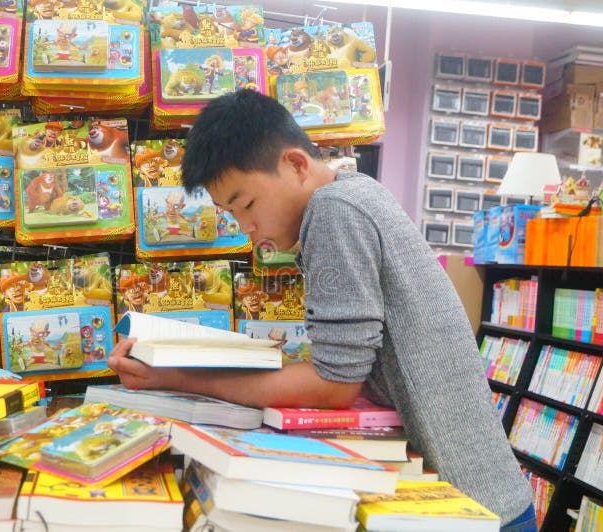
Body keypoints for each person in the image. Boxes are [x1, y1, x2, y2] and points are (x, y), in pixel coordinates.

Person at [107, 89, 535, 531]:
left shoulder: (334, 211)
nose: (246, 227)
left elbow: (334, 385)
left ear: (295, 164)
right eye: (231, 214)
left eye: (247, 204)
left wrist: (174, 377)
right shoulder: (356, 192)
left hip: (473, 510)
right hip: (479, 499)